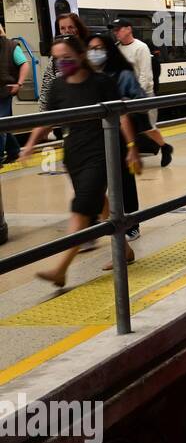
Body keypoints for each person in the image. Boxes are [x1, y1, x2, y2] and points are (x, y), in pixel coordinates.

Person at [20, 35, 142, 288]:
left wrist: (131, 147)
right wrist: (30, 144)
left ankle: (60, 269)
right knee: (99, 202)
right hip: (74, 153)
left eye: (67, 57)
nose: (62, 63)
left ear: (80, 55)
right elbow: (47, 120)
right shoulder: (57, 86)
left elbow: (121, 117)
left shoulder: (102, 83)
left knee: (81, 210)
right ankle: (125, 249)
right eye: (57, 58)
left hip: (102, 153)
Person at [88, 32, 147, 243]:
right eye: (90, 49)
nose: (94, 53)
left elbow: (139, 100)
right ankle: (94, 225)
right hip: (95, 137)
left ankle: (131, 224)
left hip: (122, 134)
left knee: (125, 181)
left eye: (98, 48)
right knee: (94, 183)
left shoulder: (122, 73)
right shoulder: (87, 75)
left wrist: (125, 104)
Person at [109, 19, 173, 166]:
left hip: (143, 96)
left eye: (118, 29)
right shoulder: (116, 48)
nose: (115, 32)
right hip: (123, 97)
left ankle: (165, 147)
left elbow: (145, 75)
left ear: (128, 29)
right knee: (124, 126)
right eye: (114, 30)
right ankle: (127, 155)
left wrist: (136, 96)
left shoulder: (141, 48)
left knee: (148, 127)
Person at [0, 25, 33, 164]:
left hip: (4, 91)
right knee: (4, 124)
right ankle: (13, 151)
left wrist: (19, 83)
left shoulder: (11, 46)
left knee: (1, 123)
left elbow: (24, 64)